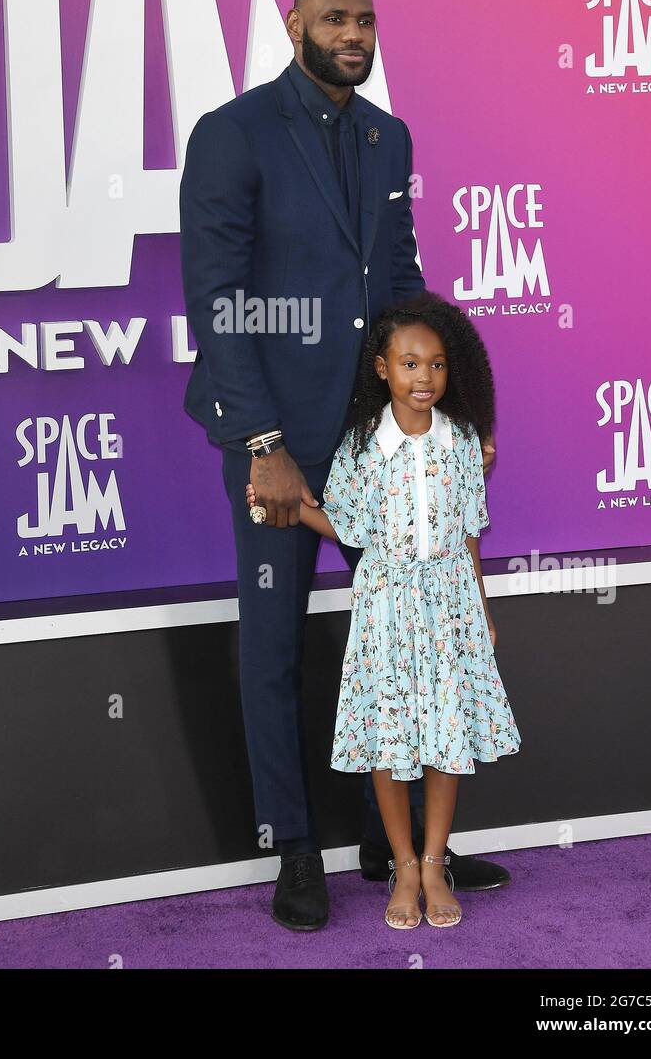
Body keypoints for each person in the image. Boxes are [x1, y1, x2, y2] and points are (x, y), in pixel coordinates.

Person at [179, 0, 506, 932]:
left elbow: (400, 280)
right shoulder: (231, 133)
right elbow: (219, 296)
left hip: (380, 441)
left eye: (365, 18)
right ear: (293, 26)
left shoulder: (385, 133)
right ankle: (292, 847)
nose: (353, 32)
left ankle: (391, 842)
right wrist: (263, 442)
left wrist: (449, 411)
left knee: (404, 641)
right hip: (277, 437)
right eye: (334, 18)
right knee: (275, 647)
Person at [247, 293, 521, 929]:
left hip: (450, 607)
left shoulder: (461, 443)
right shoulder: (364, 447)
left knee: (447, 742)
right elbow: (343, 524)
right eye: (409, 364)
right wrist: (272, 503)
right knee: (390, 739)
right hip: (386, 612)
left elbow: (471, 530)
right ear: (381, 370)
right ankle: (401, 865)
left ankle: (433, 862)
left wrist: (479, 606)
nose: (424, 378)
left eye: (437, 365)